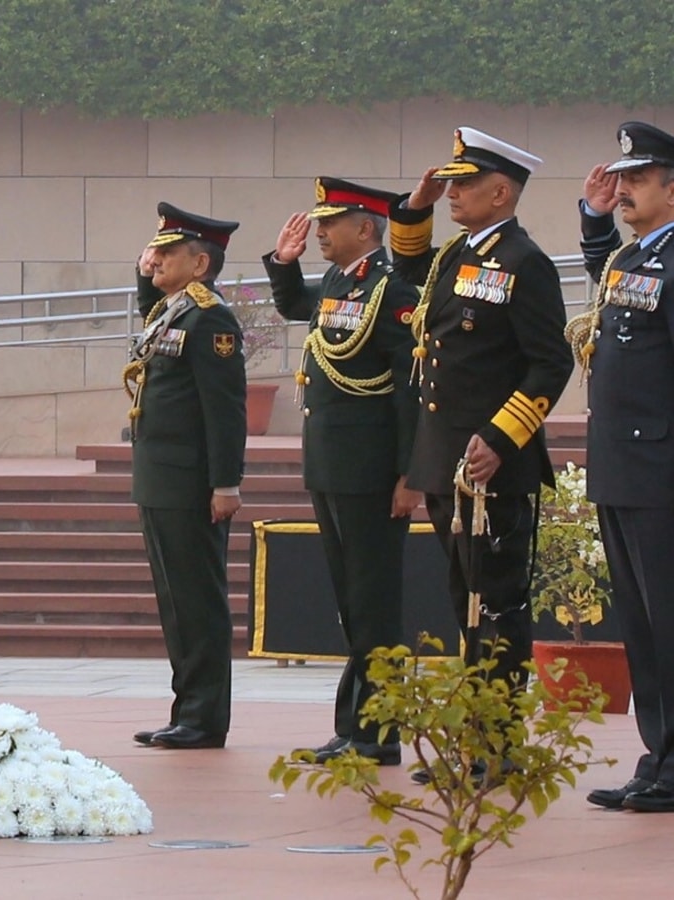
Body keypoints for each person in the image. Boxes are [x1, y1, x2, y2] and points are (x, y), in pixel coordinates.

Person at [389, 128, 573, 783]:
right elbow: (408, 269)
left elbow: (551, 363)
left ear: (500, 191)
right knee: (463, 601)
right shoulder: (456, 255)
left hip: (490, 465)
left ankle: (493, 747)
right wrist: (414, 205)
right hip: (444, 462)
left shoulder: (524, 262)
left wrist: (498, 439)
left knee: (494, 606)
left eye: (462, 185)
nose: (452, 194)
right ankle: (471, 739)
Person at [263, 178, 422, 765]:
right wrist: (284, 263)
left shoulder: (393, 290)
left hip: (373, 470)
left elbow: (410, 392)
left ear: (367, 228)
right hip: (331, 463)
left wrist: (410, 475)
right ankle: (354, 725)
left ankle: (379, 731)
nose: (321, 232)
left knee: (374, 600)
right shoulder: (337, 281)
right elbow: (295, 306)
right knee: (352, 601)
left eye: (332, 223)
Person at [574, 122, 674, 813]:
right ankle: (658, 758)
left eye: (637, 180)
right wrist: (591, 219)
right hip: (623, 463)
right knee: (641, 627)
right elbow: (610, 284)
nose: (624, 190)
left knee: (667, 622)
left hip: (660, 468)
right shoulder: (639, 257)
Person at [125, 203, 247, 750]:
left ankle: (204, 717)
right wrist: (142, 269)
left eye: (169, 252)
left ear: (199, 265)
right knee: (175, 602)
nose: (157, 258)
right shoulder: (171, 310)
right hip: (160, 479)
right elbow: (149, 298)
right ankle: (187, 709)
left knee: (197, 600)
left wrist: (226, 483)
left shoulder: (209, 317)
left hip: (191, 482)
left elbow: (225, 409)